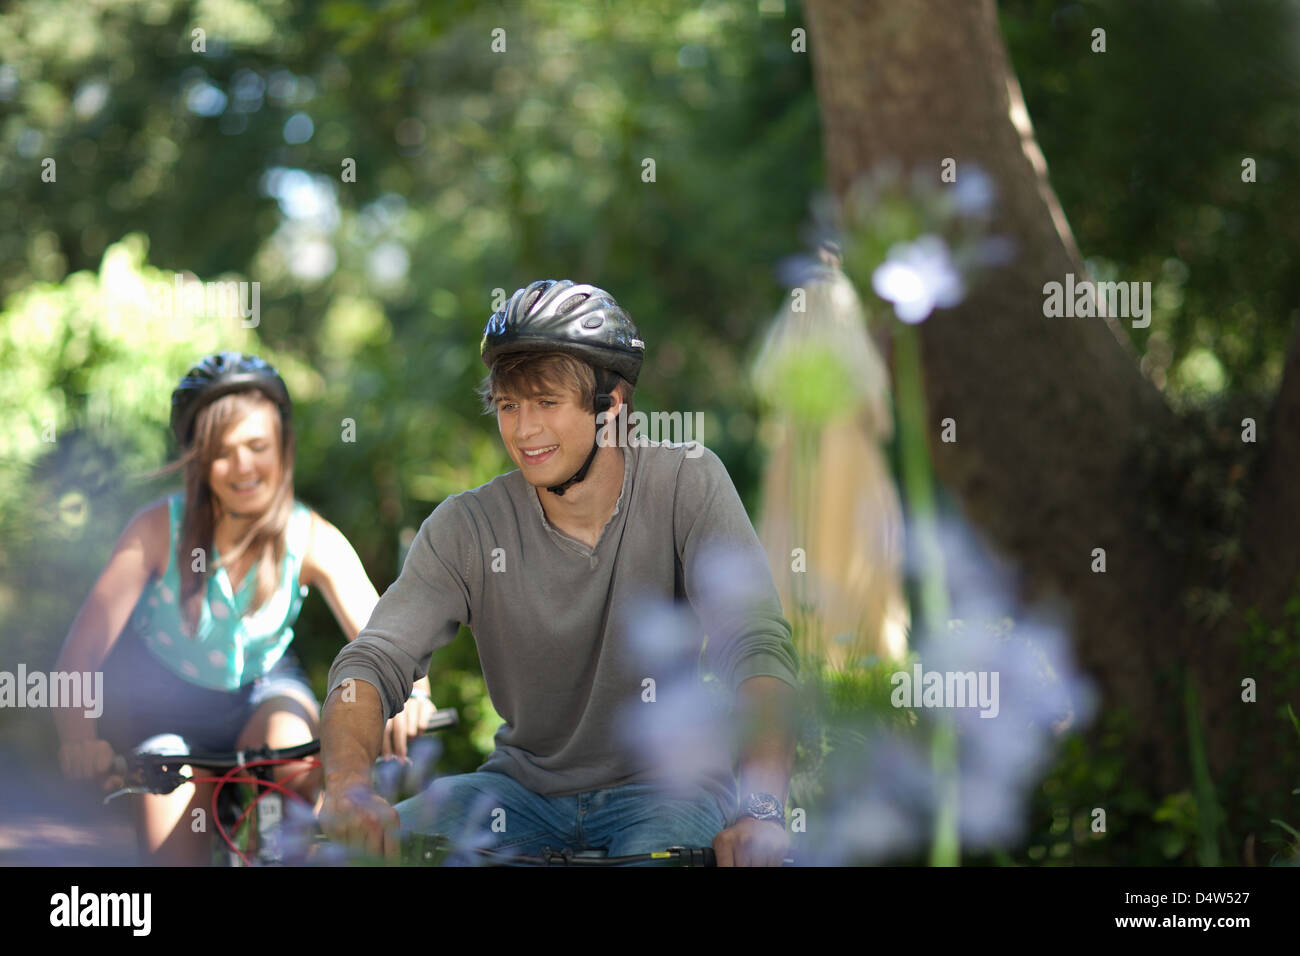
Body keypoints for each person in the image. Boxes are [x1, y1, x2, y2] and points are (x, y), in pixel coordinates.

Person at [320, 280, 800, 867]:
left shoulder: (686, 482)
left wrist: (765, 810)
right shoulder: (466, 527)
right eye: (508, 406)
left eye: (546, 403)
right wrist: (348, 788)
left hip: (668, 788)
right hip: (519, 793)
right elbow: (370, 662)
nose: (523, 432)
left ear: (612, 405)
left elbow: (755, 646)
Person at [54, 351, 436, 865]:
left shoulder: (312, 538)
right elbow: (77, 658)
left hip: (265, 693)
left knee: (291, 743)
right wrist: (79, 735)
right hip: (171, 712)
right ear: (195, 459)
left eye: (258, 446)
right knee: (170, 831)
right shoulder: (152, 532)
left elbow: (391, 640)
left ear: (283, 446)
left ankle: (289, 851)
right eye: (222, 451)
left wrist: (413, 696)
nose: (243, 467)